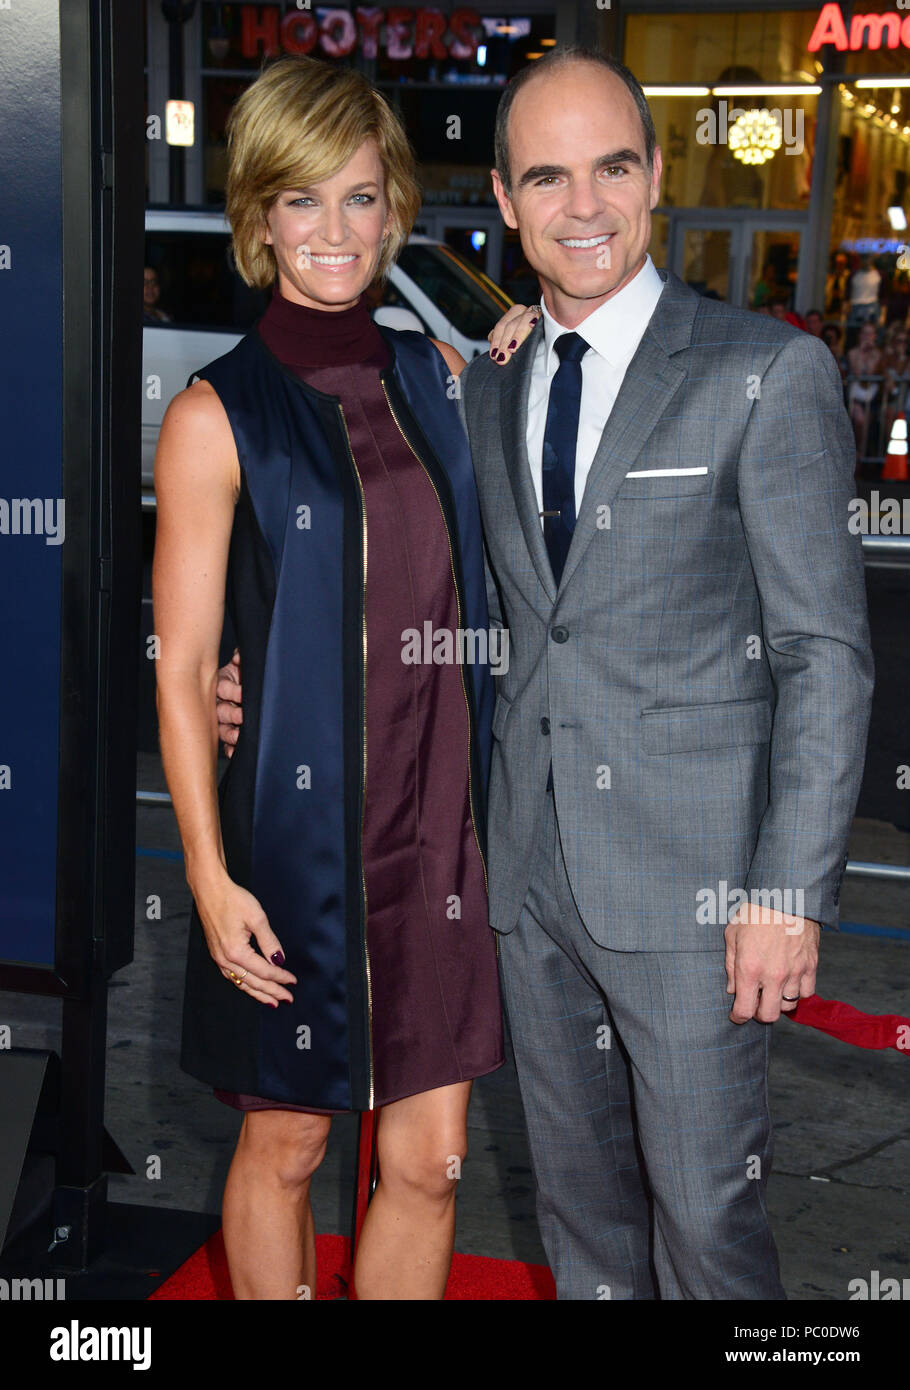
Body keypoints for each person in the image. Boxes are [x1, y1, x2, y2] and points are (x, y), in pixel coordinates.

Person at [219, 46, 873, 1301]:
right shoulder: (486, 381)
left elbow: (822, 654)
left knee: (708, 1230)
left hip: (700, 898)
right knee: (578, 1225)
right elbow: (412, 574)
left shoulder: (761, 371)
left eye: (612, 169)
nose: (584, 207)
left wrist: (786, 890)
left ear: (656, 177)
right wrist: (244, 670)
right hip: (520, 883)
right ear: (506, 207)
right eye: (547, 178)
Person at [153, 55, 510, 1302]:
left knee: (431, 1164)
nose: (335, 231)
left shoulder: (445, 382)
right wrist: (206, 873)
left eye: (360, 198)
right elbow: (188, 665)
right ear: (259, 218)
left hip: (437, 841)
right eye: (302, 201)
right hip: (289, 847)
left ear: (395, 209)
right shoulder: (215, 415)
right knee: (290, 1139)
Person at [847, 321, 883, 464]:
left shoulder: (879, 354)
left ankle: (862, 455)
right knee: (860, 420)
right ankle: (857, 453)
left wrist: (871, 355)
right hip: (856, 398)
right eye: (864, 333)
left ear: (875, 336)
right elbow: (856, 371)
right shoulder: (852, 352)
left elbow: (870, 373)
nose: (867, 336)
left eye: (870, 333)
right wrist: (861, 353)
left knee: (870, 424)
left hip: (872, 398)